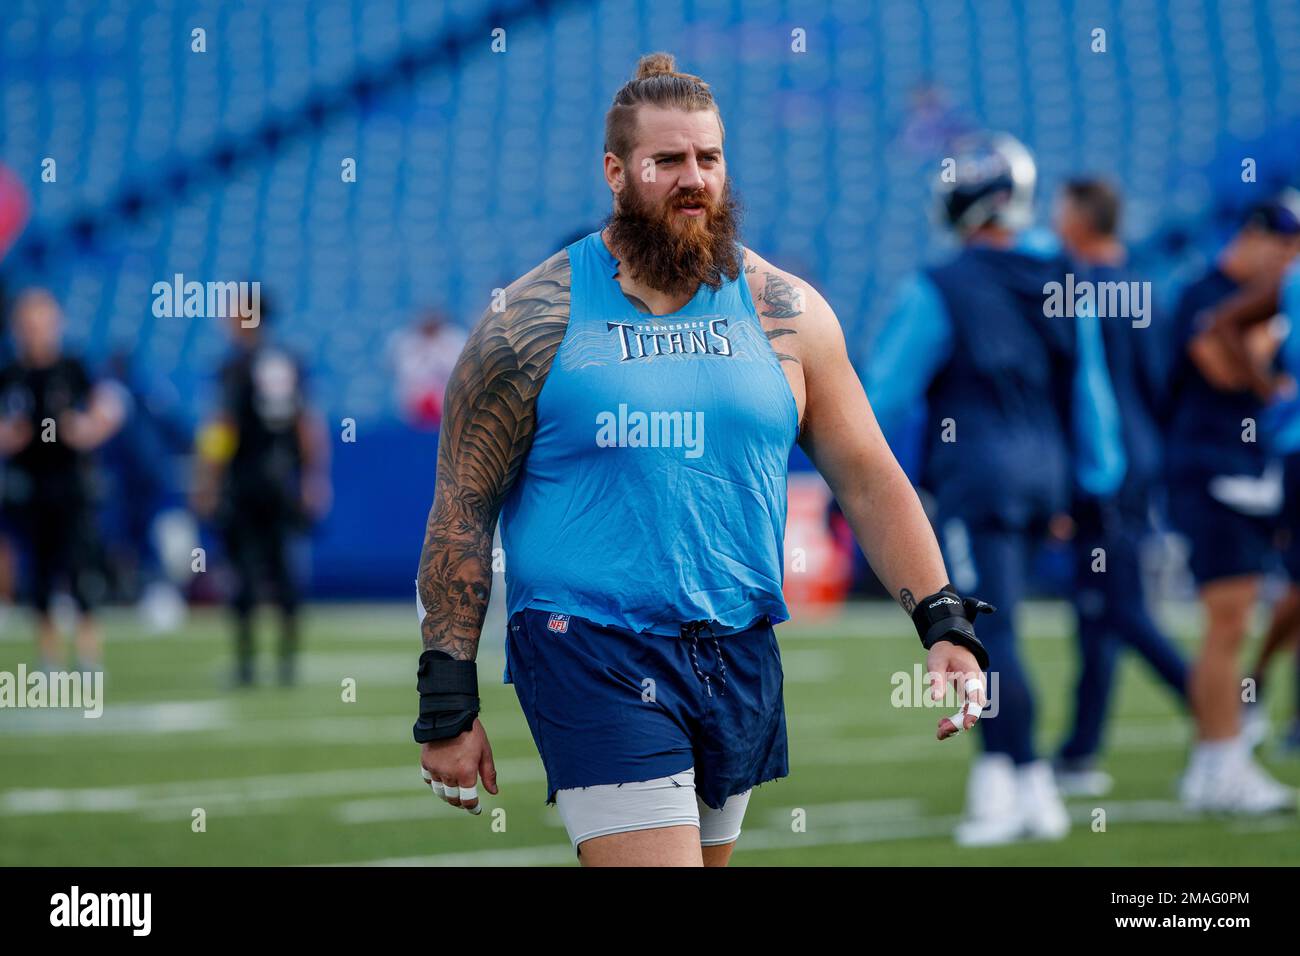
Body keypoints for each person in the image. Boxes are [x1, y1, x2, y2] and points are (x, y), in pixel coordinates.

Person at [413, 53, 993, 867]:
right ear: (616, 172)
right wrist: (446, 693)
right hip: (589, 645)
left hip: (738, 646)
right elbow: (461, 508)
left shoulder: (787, 311)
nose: (694, 179)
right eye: (669, 161)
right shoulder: (531, 320)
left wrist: (943, 619)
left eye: (709, 159)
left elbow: (867, 473)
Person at [865, 134, 1128, 845]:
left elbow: (884, 395)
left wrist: (893, 478)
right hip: (1049, 477)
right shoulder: (1065, 273)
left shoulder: (941, 284)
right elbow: (1092, 392)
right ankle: (1009, 781)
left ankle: (1027, 783)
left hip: (980, 476)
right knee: (999, 628)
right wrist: (1093, 484)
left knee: (985, 632)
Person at [1049, 179, 1190, 795]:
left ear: (1082, 217)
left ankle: (1221, 710)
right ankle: (1080, 751)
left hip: (1101, 470)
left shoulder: (1075, 292)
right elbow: (1162, 386)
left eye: (1062, 208)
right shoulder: (1144, 290)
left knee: (1121, 607)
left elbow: (1079, 393)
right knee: (1098, 612)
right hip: (1140, 461)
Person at [1164, 195, 1300, 812]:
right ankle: (1220, 762)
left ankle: (1213, 761)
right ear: (1259, 236)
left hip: (1246, 473)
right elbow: (1218, 364)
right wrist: (1268, 377)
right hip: (1210, 470)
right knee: (1227, 623)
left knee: (1234, 622)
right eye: (1286, 247)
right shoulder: (1205, 293)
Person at [193, 292, 331, 686]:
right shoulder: (287, 359)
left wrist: (208, 479)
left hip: (246, 481)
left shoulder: (235, 366)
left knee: (244, 573)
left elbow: (223, 428)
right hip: (283, 479)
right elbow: (308, 425)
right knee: (284, 569)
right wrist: (312, 476)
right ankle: (287, 662)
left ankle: (247, 664)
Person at [0, 289, 123, 670]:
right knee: (39, 571)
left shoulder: (72, 368)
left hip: (70, 482)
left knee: (80, 566)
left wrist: (88, 428)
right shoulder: (13, 375)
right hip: (31, 484)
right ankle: (48, 655)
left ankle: (88, 652)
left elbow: (109, 405)